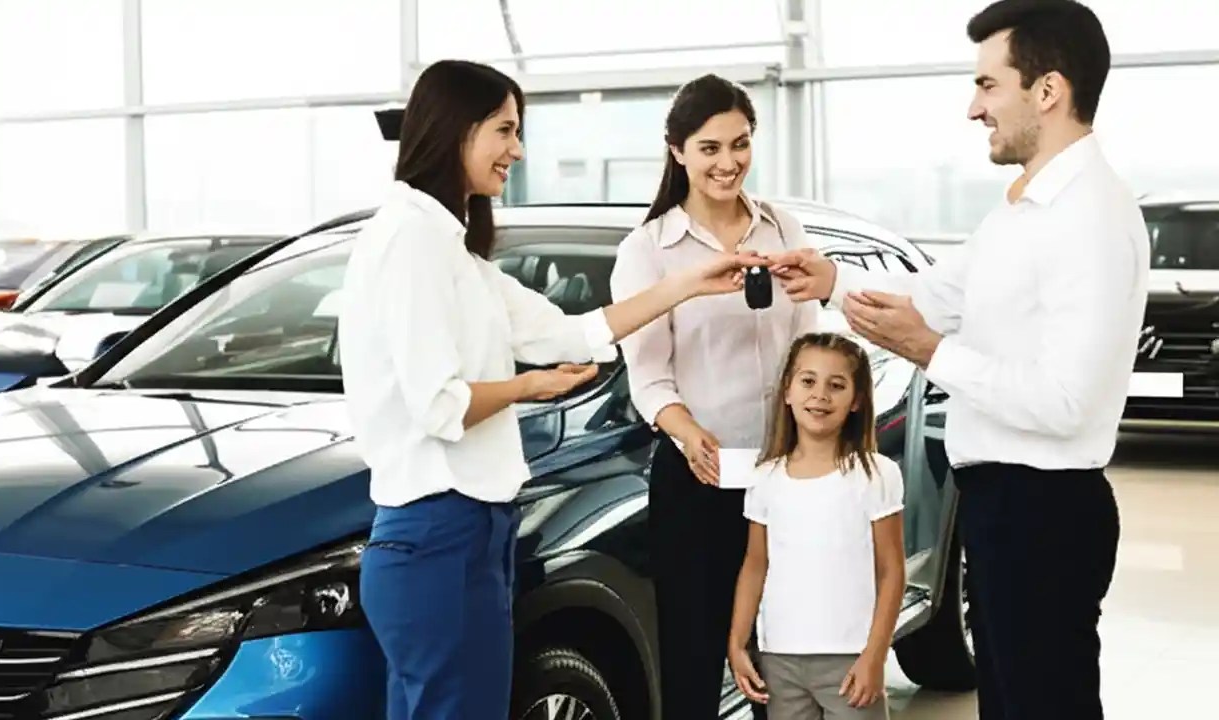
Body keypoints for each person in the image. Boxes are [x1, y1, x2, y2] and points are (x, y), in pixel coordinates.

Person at [337, 59, 768, 720]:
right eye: (505, 130)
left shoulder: (455, 252)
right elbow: (439, 404)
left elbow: (572, 332)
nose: (518, 148)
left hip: (470, 528)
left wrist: (686, 281)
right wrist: (528, 387)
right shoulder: (410, 241)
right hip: (437, 533)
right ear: (458, 130)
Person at [769, 2, 1148, 718]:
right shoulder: (1019, 214)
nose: (974, 108)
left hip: (1047, 510)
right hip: (1004, 506)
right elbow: (934, 295)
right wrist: (832, 279)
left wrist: (935, 353)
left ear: (1047, 90)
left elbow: (1067, 401)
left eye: (987, 85)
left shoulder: (1091, 218)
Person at [609, 73, 820, 719]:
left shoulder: (782, 227)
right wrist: (686, 430)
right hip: (697, 478)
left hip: (785, 477)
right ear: (677, 151)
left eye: (740, 144)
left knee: (786, 658)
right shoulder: (649, 251)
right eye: (709, 148)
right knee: (695, 657)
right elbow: (648, 377)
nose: (728, 162)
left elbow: (805, 346)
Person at [727, 332, 906, 719]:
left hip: (851, 660)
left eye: (836, 385)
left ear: (856, 401)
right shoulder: (764, 479)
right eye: (808, 381)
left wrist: (875, 656)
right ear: (787, 390)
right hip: (780, 659)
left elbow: (892, 572)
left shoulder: (876, 475)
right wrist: (738, 642)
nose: (820, 395)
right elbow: (756, 565)